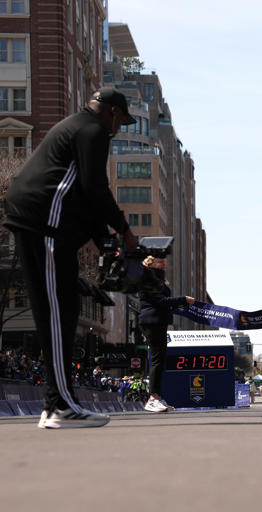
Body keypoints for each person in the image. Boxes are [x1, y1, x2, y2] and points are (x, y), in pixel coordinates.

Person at [3, 87, 138, 429]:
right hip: (44, 223)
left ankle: (57, 404)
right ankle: (59, 406)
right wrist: (124, 229)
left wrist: (105, 241)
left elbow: (83, 193)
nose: (119, 128)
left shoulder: (76, 127)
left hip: (46, 223)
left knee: (66, 309)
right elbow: (96, 188)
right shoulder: (92, 131)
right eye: (121, 120)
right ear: (111, 112)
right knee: (56, 313)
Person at [138, 255, 195, 412]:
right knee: (157, 359)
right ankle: (153, 398)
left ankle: (157, 397)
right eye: (159, 260)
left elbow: (163, 301)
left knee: (160, 359)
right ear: (150, 263)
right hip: (151, 321)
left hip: (159, 321)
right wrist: (183, 299)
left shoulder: (158, 280)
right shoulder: (147, 279)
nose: (163, 262)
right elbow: (160, 301)